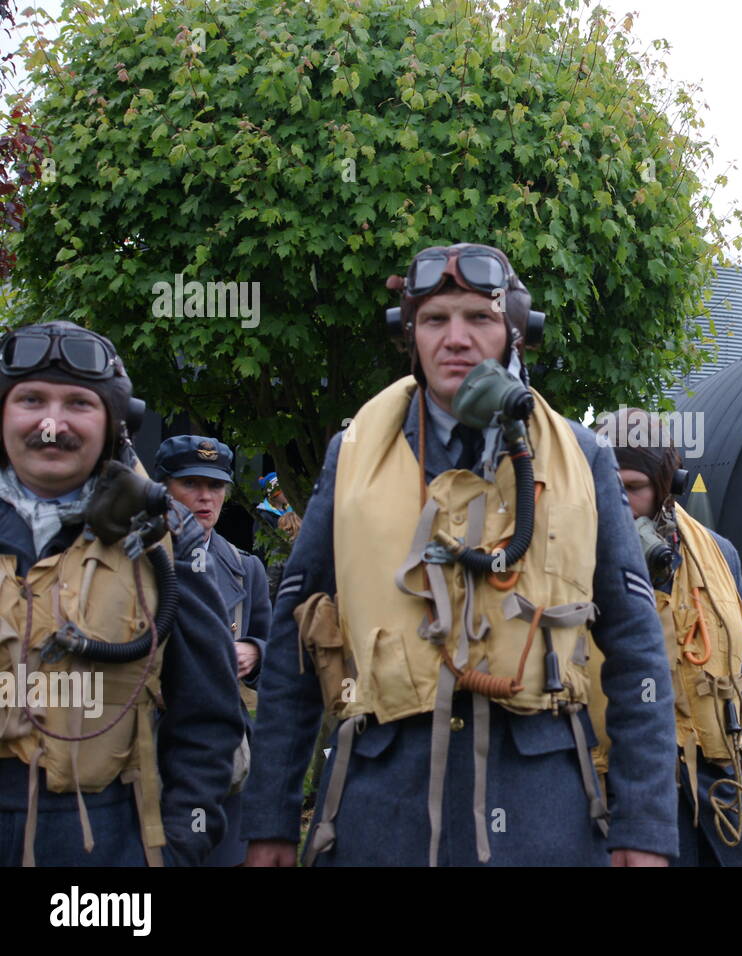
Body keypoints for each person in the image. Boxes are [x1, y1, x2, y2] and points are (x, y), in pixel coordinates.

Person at [241, 242, 678, 866]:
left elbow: (636, 649)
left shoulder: (584, 458)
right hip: (382, 809)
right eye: (435, 319)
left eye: (480, 317)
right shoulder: (354, 454)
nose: (456, 338)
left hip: (541, 813)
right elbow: (295, 640)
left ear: (515, 333)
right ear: (409, 334)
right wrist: (270, 819)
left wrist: (644, 827)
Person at [0, 321, 242, 866]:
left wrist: (175, 849)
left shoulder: (164, 539)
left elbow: (208, 716)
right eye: (31, 399)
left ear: (114, 423)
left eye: (79, 404)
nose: (51, 424)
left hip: (103, 839)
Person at [598, 407, 742, 866]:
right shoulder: (561, 561)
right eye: (608, 488)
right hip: (618, 802)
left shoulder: (719, 554)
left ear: (667, 486)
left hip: (723, 798)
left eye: (633, 488)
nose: (620, 506)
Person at [154, 435, 271, 867]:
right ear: (162, 489)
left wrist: (254, 653)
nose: (206, 497)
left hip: (221, 749)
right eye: (191, 484)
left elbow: (274, 649)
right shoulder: (131, 560)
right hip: (145, 742)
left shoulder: (245, 567)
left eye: (216, 486)